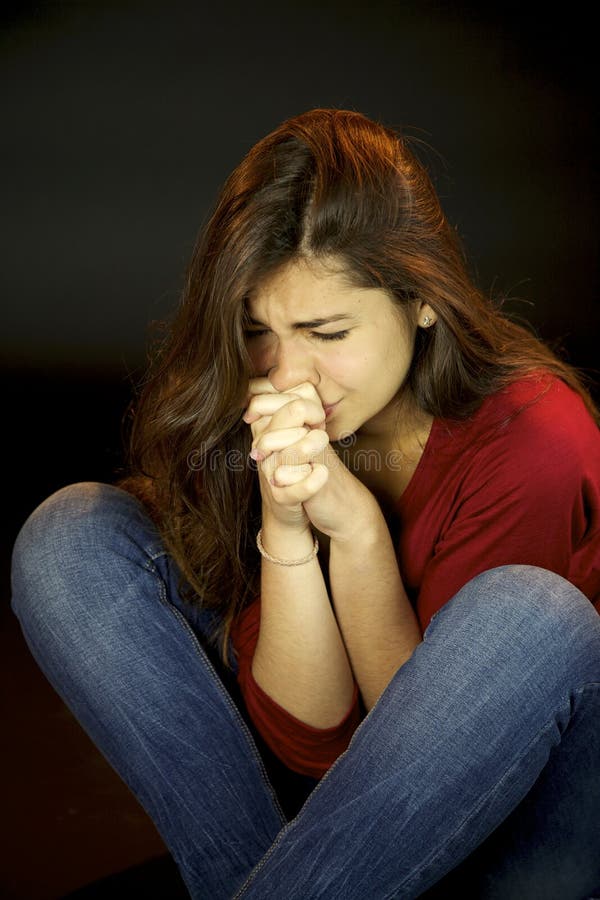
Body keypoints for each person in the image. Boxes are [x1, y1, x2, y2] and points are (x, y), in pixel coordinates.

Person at [11, 108, 600, 899]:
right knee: (69, 535)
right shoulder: (260, 409)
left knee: (530, 610)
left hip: (522, 825)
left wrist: (357, 533)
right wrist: (286, 527)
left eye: (327, 330)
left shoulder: (536, 440)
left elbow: (439, 767)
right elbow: (309, 742)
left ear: (423, 302)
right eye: (260, 331)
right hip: (332, 840)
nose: (290, 376)